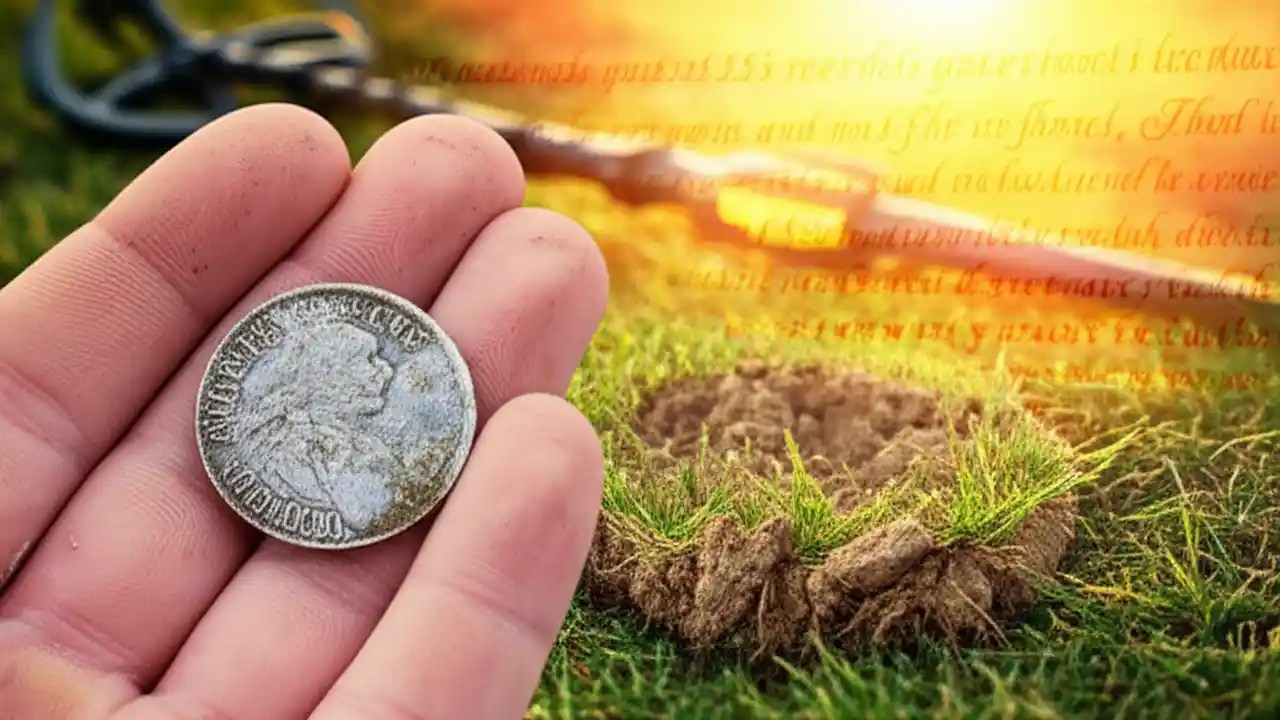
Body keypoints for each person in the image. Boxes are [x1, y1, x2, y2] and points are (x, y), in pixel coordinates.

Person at [0, 105, 609, 719]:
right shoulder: (306, 460)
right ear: (325, 377)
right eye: (369, 362)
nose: (386, 371)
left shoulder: (348, 459)